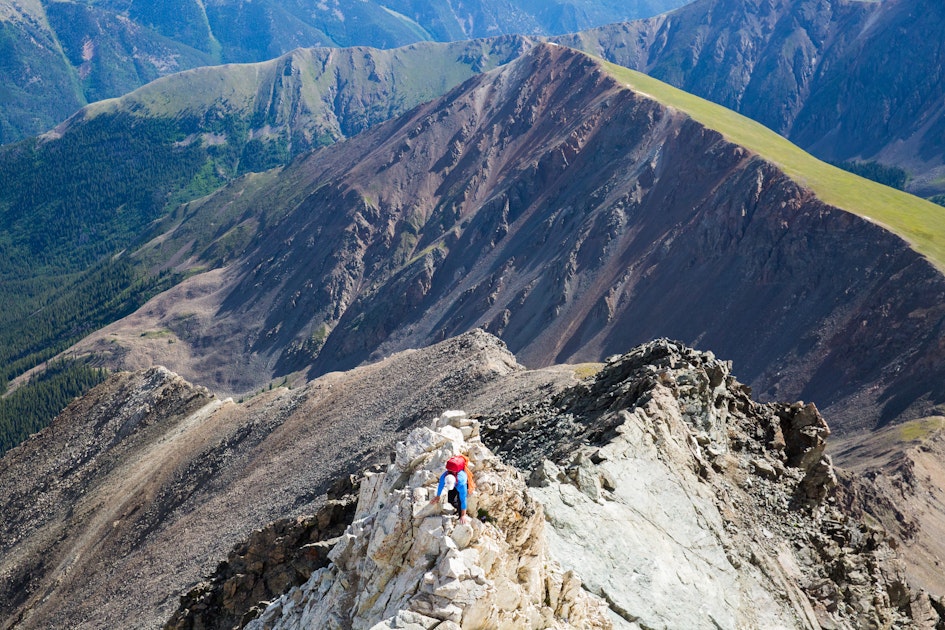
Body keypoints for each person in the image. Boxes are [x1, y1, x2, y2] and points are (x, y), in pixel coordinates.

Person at [430, 455, 472, 524]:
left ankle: (461, 514)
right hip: (454, 482)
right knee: (450, 499)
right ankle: (459, 509)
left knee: (460, 500)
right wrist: (437, 496)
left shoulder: (461, 482)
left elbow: (463, 499)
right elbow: (440, 487)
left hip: (461, 484)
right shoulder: (444, 477)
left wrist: (463, 515)